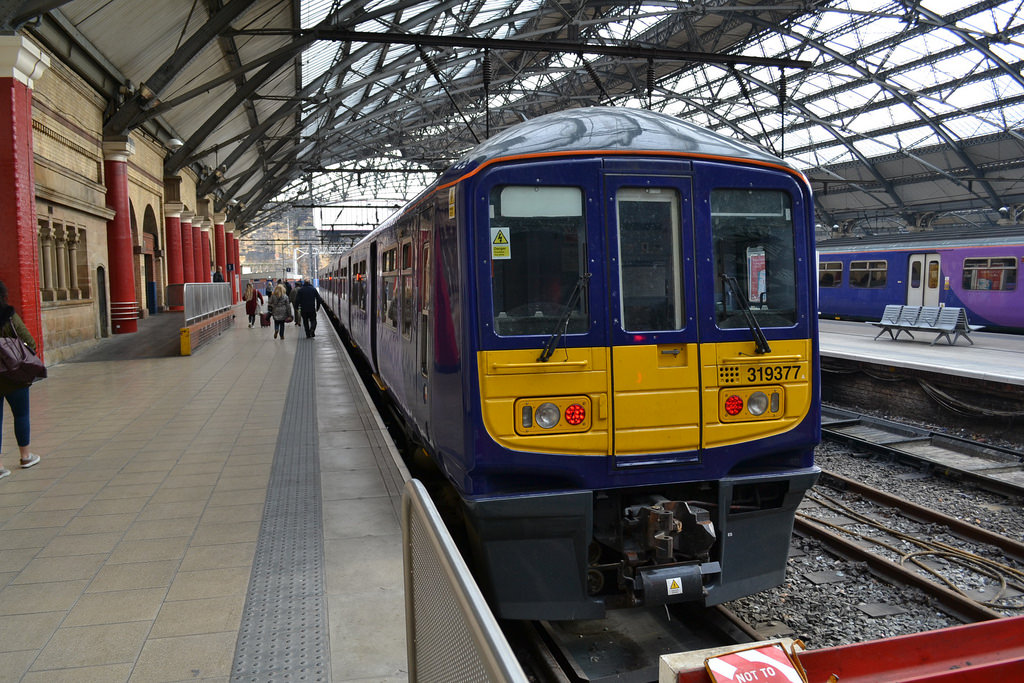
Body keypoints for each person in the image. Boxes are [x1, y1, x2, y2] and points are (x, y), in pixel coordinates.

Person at [0, 281, 41, 479]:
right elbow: (30, 341)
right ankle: (25, 457)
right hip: (13, 374)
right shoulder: (9, 316)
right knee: (21, 415)